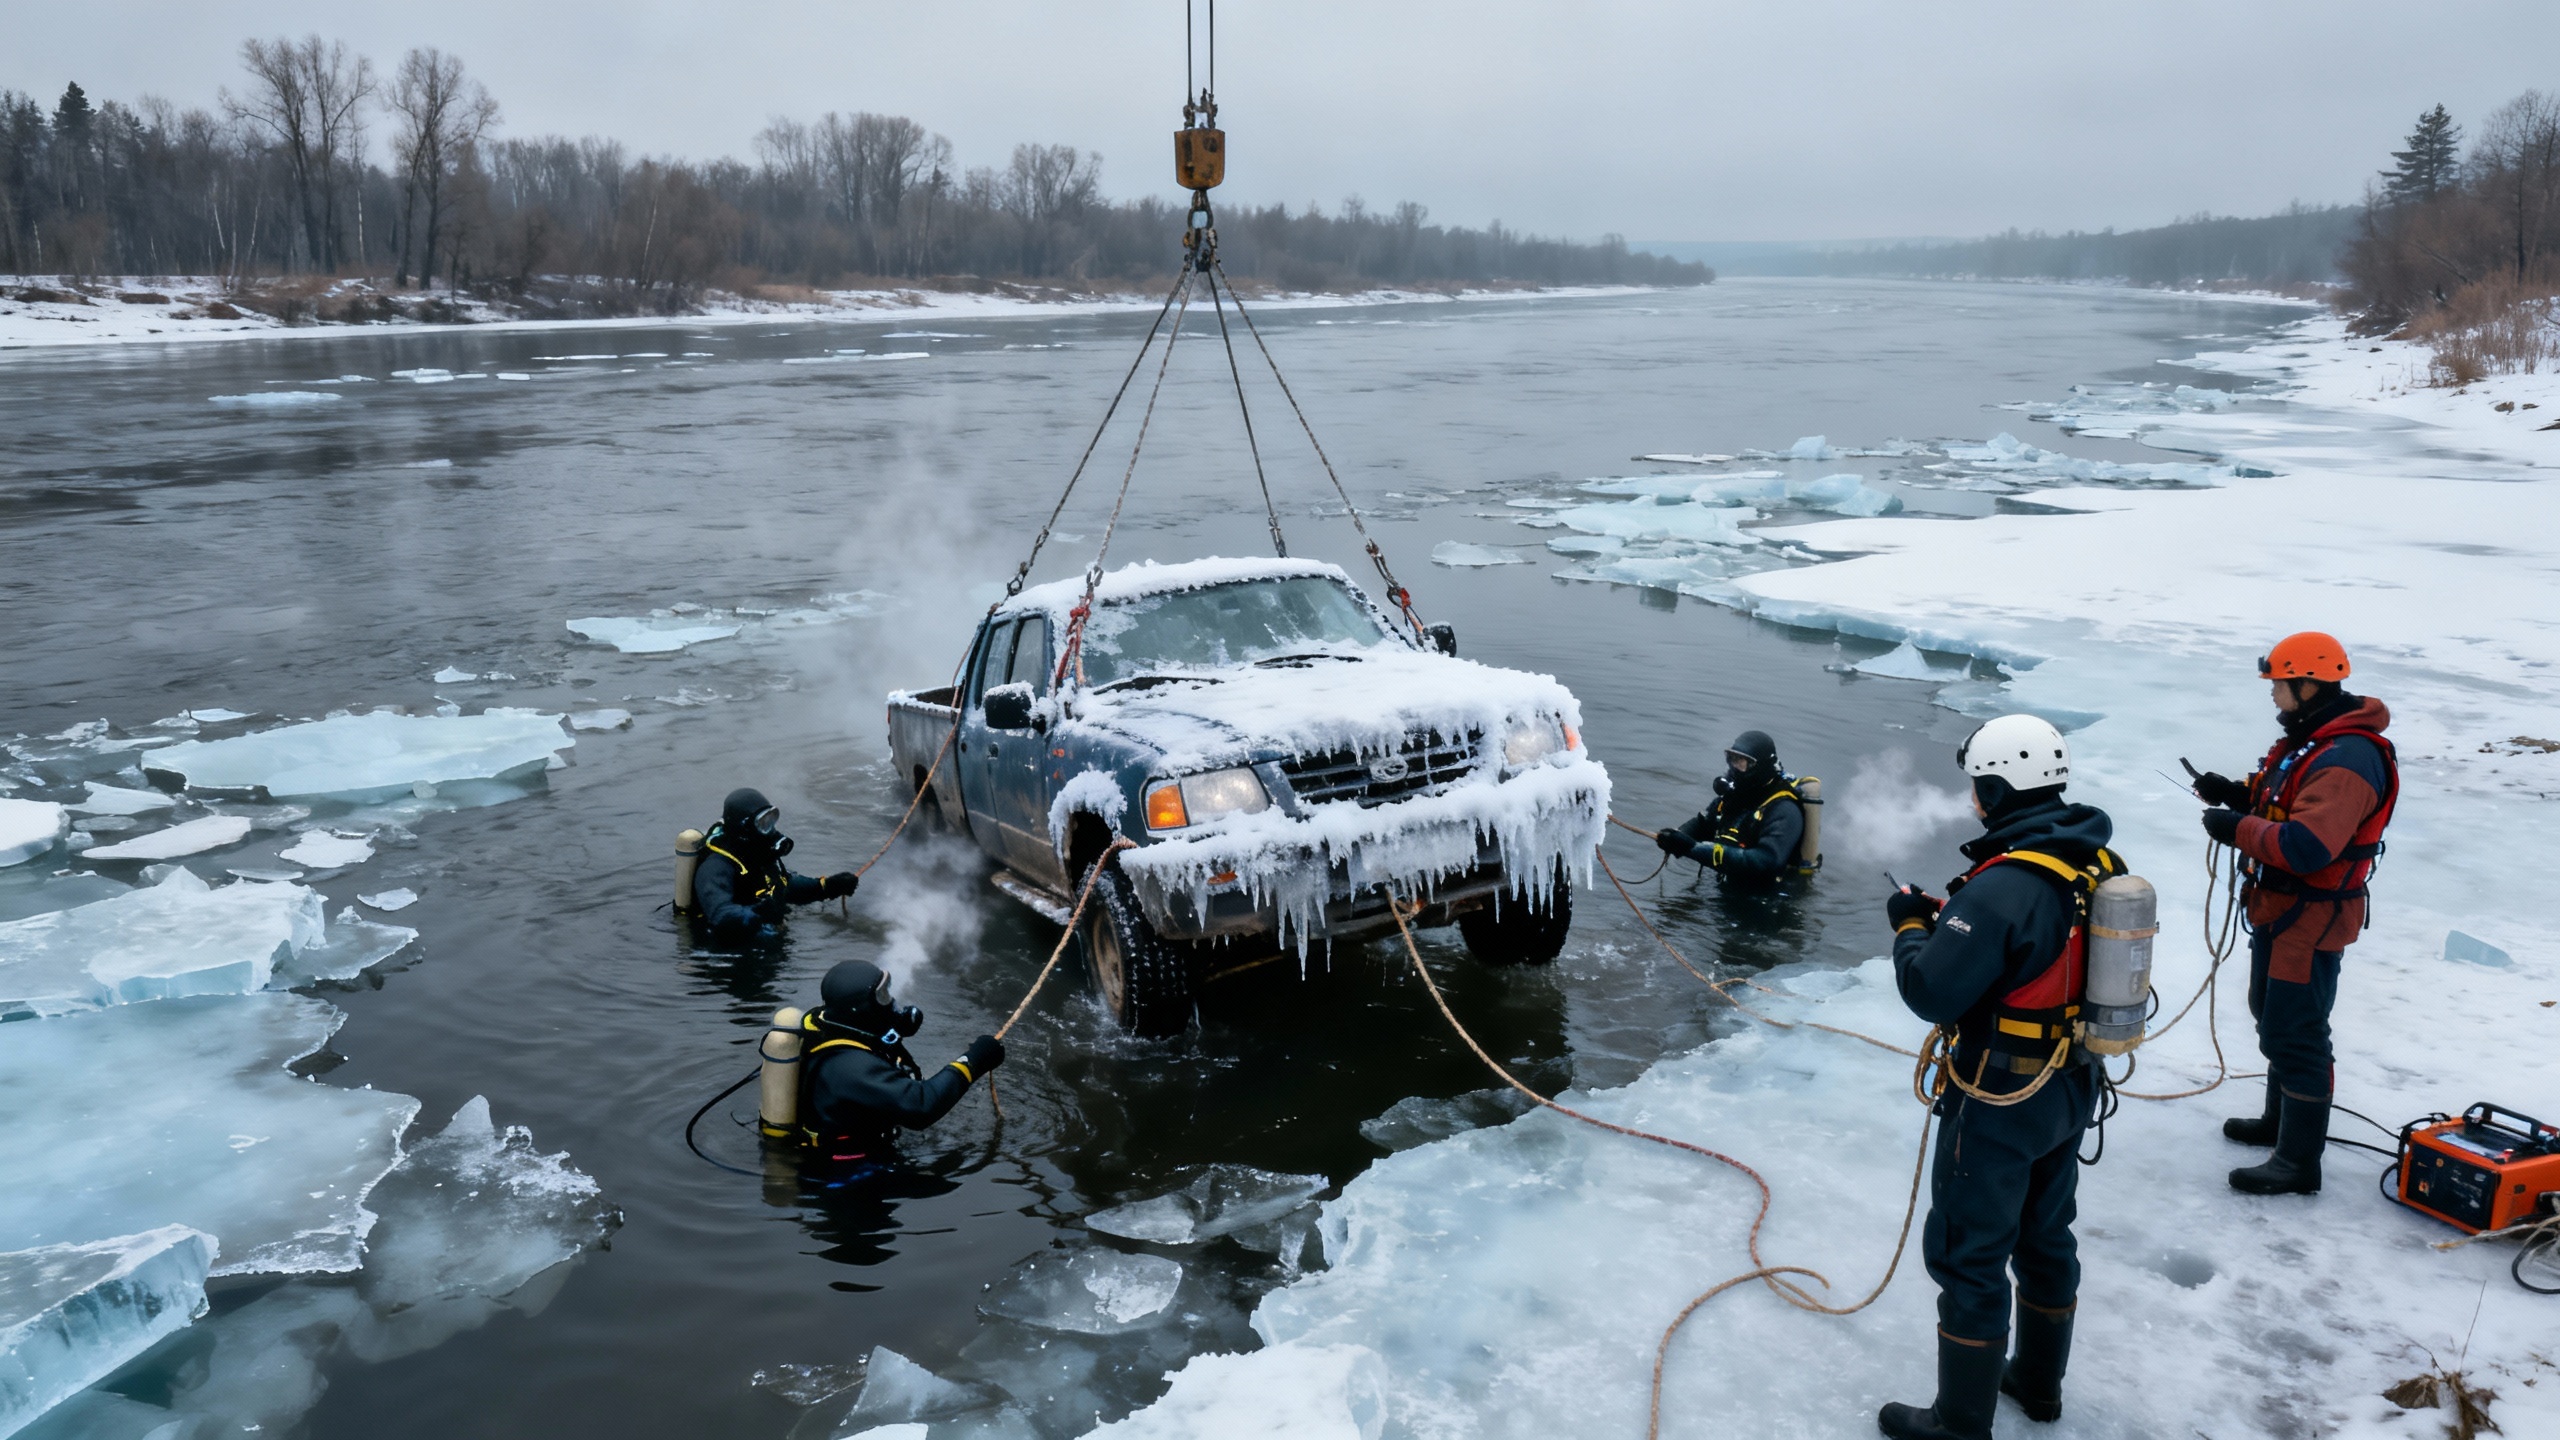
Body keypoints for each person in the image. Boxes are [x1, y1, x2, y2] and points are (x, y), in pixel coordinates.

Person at [1878, 714, 2120, 1439]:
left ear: (1993, 787)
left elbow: (1931, 991)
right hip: (2070, 1084)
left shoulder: (2006, 882)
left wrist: (1909, 927)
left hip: (1998, 1096)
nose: (1973, 801)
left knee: (1970, 1252)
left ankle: (1959, 1423)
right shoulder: (2092, 861)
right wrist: (1954, 920)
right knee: (2047, 1235)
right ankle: (2038, 1385)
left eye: (1976, 788)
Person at [2190, 632, 2397, 1197]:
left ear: (2308, 685)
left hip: (2309, 919)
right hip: (2283, 911)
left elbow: (2308, 846)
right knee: (2272, 1015)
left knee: (2297, 1032)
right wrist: (2235, 795)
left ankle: (2298, 1161)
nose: (2273, 694)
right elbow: (2286, 806)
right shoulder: (2313, 740)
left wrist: (2238, 830)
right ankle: (2279, 1126)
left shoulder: (2348, 757)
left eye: (2279, 684)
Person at [794, 960, 1005, 1164]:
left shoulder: (830, 1023)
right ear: (860, 1008)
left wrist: (895, 1027)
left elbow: (869, 1038)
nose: (889, 1001)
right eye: (881, 996)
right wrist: (974, 1059)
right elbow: (921, 1106)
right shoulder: (849, 1067)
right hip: (846, 1173)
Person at [690, 787, 858, 944]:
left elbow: (783, 884)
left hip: (766, 932)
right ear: (744, 828)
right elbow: (721, 915)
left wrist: (825, 887)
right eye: (763, 823)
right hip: (730, 950)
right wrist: (759, 914)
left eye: (771, 819)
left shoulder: (757, 853)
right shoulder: (715, 868)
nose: (770, 829)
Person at [1653, 730, 1810, 888]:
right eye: (1732, 759)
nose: (1734, 767)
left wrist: (1693, 849)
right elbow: (1704, 824)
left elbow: (1766, 861)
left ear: (1760, 765)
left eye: (1742, 762)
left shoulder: (1784, 809)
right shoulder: (1735, 795)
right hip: (1730, 887)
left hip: (1766, 901)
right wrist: (1676, 837)